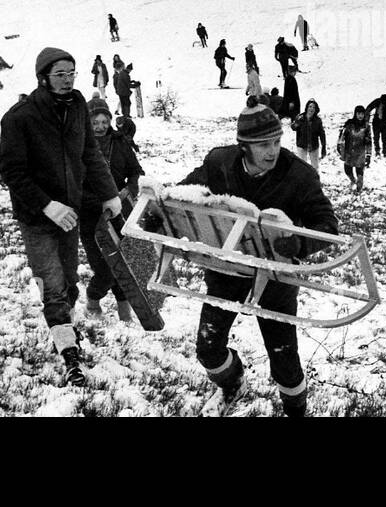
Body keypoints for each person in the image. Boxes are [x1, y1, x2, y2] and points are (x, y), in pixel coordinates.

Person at [174, 98, 338, 417]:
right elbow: (186, 192)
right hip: (228, 267)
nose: (272, 151)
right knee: (208, 348)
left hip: (275, 272)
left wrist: (298, 244)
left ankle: (295, 410)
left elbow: (326, 224)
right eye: (263, 144)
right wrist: (163, 212)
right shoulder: (220, 162)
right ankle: (232, 383)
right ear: (244, 146)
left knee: (284, 356)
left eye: (276, 141)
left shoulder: (299, 175)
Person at [0, 47, 122, 387]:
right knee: (52, 284)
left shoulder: (79, 106)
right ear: (43, 77)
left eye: (72, 73)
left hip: (70, 212)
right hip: (38, 216)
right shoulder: (19, 118)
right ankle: (70, 357)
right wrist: (47, 205)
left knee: (67, 283)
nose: (68, 80)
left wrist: (110, 192)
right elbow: (12, 171)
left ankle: (62, 326)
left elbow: (89, 153)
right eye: (60, 74)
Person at [81, 98, 153, 323]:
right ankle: (93, 299)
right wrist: (100, 200)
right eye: (95, 122)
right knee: (104, 267)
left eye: (104, 121)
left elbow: (135, 171)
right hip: (91, 215)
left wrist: (126, 190)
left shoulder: (120, 142)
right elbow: (74, 183)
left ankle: (124, 309)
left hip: (119, 212)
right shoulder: (80, 145)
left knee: (123, 261)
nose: (100, 126)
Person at [336, 105, 373, 192]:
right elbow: (342, 135)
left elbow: (368, 141)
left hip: (360, 153)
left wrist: (368, 154)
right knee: (347, 170)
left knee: (359, 172)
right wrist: (339, 145)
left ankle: (359, 188)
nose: (360, 116)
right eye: (358, 113)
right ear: (355, 114)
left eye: (362, 114)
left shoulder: (366, 126)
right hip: (349, 151)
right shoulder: (349, 124)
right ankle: (353, 181)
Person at [291, 99, 326, 169]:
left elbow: (322, 134)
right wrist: (297, 122)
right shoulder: (300, 117)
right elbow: (293, 127)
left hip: (313, 146)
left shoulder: (318, 120)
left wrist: (323, 147)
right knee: (302, 166)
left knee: (315, 167)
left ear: (316, 109)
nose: (311, 109)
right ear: (307, 107)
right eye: (310, 106)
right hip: (301, 145)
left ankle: (314, 179)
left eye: (314, 107)